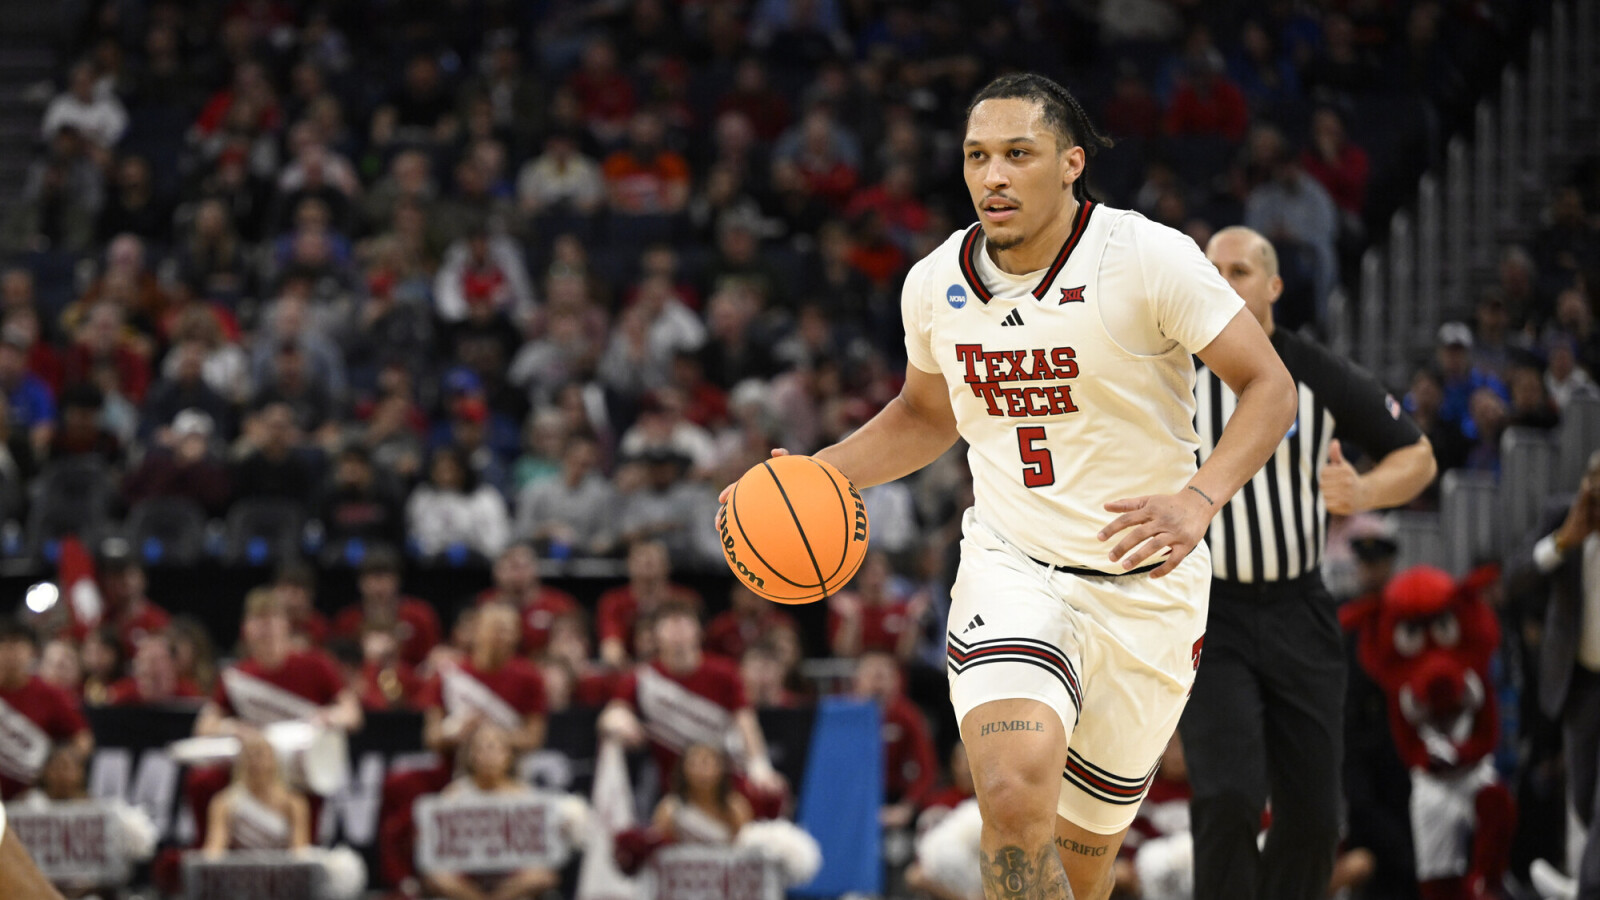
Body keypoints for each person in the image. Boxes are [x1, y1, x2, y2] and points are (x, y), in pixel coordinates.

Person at [721, 73, 1296, 898]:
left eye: (1017, 155)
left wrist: (1198, 500)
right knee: (1012, 793)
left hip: (1148, 591)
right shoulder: (935, 283)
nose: (993, 175)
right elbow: (927, 415)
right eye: (976, 156)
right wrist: (814, 475)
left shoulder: (1145, 256)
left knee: (1080, 874)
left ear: (1070, 163)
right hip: (1013, 568)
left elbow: (1269, 388)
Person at [1179, 226, 1437, 900]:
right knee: (1230, 797)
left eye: (1239, 270)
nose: (1222, 283)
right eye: (1212, 271)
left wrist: (1364, 492)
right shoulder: (1170, 374)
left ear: (1274, 286)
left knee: (1316, 817)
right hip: (1211, 617)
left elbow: (1418, 455)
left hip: (1300, 608)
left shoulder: (1315, 372)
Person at [1509, 451, 1600, 895]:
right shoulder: (1563, 515)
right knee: (1582, 795)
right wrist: (1564, 540)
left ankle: (1587, 887)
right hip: (1580, 679)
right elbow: (1515, 578)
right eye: (1593, 478)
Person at [421, 723, 559, 900]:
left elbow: (541, 849)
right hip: (466, 875)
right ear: (471, 756)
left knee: (541, 877)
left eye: (494, 747)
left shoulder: (523, 795)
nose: (488, 755)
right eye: (481, 748)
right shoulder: (454, 795)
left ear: (508, 755)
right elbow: (435, 844)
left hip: (512, 875)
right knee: (438, 878)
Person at [0, 618, 94, 801]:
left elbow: (83, 739)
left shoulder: (48, 694)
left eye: (18, 646)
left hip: (32, 801)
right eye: (5, 645)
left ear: (32, 652)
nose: (11, 654)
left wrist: (65, 761)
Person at [201, 731, 311, 855]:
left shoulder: (294, 802)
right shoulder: (224, 802)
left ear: (274, 760)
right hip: (240, 865)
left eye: (260, 754)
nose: (255, 762)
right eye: (249, 755)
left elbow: (300, 851)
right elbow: (214, 849)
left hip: (281, 865)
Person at [651, 742, 753, 845]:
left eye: (706, 763)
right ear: (683, 769)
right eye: (693, 764)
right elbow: (659, 846)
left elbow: (744, 845)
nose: (700, 770)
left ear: (721, 768)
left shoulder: (735, 806)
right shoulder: (670, 808)